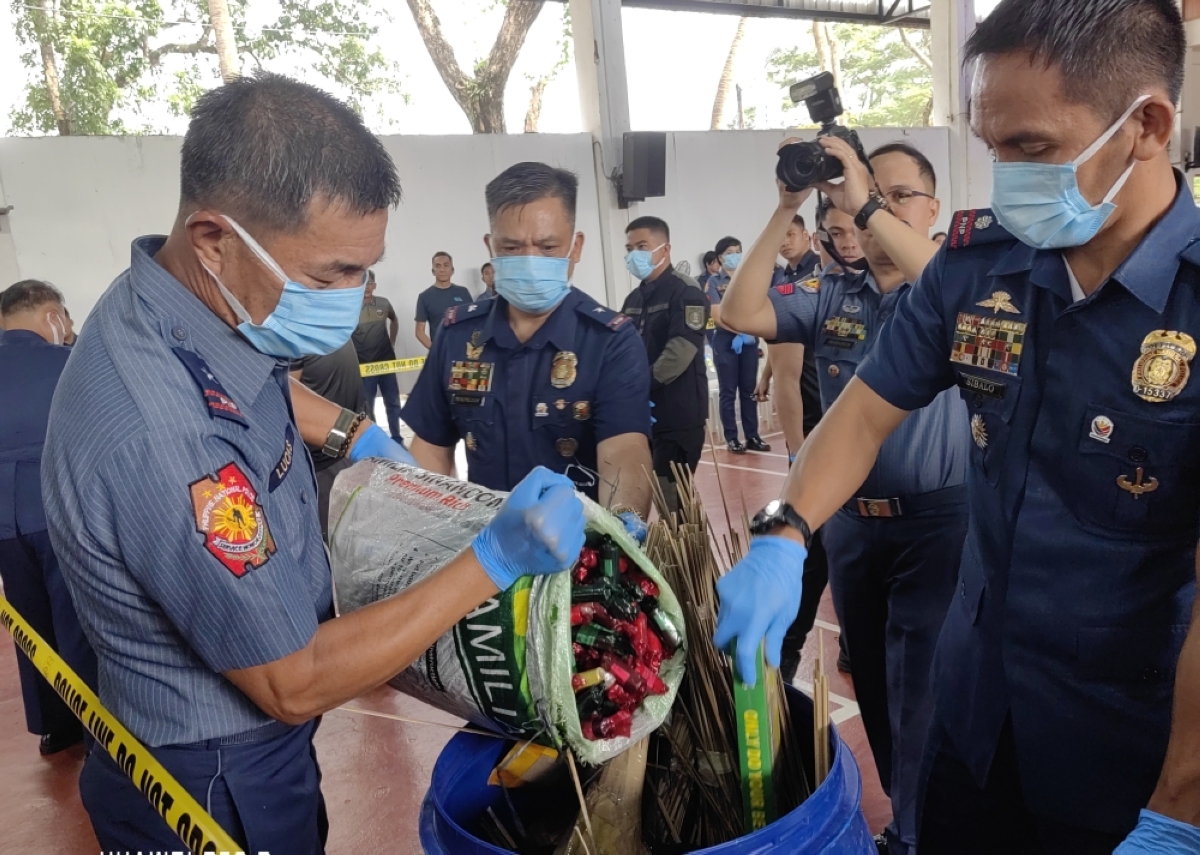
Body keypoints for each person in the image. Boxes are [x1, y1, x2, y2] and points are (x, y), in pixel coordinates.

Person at [40, 73, 588, 855]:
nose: (354, 296)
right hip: (217, 777)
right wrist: (492, 560)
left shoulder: (174, 302)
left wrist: (355, 435)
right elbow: (292, 681)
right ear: (214, 240)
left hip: (235, 742)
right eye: (332, 274)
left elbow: (242, 383)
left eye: (366, 269)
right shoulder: (170, 440)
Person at [715, 1, 1200, 852]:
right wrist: (785, 530)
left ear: (1148, 126)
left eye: (1033, 149)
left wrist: (1181, 803)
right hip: (971, 717)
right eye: (991, 147)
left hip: (1130, 749)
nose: (1006, 176)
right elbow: (863, 412)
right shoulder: (979, 270)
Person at [719, 140, 967, 854]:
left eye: (892, 196)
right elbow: (739, 313)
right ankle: (908, 813)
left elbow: (952, 288)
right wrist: (786, 206)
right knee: (881, 692)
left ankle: (916, 834)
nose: (864, 213)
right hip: (852, 527)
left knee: (923, 688)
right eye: (853, 201)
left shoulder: (955, 285)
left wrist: (864, 200)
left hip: (940, 524)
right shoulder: (833, 294)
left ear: (932, 208)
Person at [403, 161, 654, 534]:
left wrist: (618, 531)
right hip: (480, 551)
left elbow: (623, 455)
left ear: (575, 246)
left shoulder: (609, 341)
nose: (531, 260)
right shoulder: (458, 336)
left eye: (548, 246)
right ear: (491, 247)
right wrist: (424, 531)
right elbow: (431, 451)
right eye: (512, 247)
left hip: (575, 554)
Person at [756, 197, 864, 682]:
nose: (847, 243)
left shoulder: (885, 293)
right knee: (811, 558)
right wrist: (800, 453)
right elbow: (787, 375)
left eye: (853, 230)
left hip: (864, 453)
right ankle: (783, 659)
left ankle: (849, 642)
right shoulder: (808, 293)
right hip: (822, 451)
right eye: (834, 234)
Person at [0, 280, 96, 757]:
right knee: (76, 619)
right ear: (51, 316)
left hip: (4, 523)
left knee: (28, 622)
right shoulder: (69, 365)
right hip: (59, 511)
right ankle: (95, 721)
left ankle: (55, 726)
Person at [619, 216, 709, 516]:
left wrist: (639, 387)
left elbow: (681, 350)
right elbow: (621, 350)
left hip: (678, 414)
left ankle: (691, 562)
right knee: (649, 492)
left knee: (674, 501)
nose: (634, 255)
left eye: (642, 246)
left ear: (665, 248)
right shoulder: (633, 299)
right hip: (644, 417)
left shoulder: (686, 291)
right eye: (630, 248)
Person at [290, 340, 368, 538]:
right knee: (338, 540)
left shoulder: (333, 327)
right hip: (324, 463)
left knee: (355, 534)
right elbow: (287, 404)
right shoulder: (296, 338)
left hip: (349, 452)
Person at [706, 237, 769, 454]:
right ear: (721, 257)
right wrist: (739, 330)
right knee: (728, 391)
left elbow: (759, 306)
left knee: (749, 390)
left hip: (749, 341)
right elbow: (716, 314)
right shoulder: (714, 282)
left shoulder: (749, 278)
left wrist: (748, 332)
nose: (735, 255)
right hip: (726, 341)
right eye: (730, 252)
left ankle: (753, 435)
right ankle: (732, 437)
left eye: (738, 251)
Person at [352, 270, 402, 441]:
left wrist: (392, 343)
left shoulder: (383, 303)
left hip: (386, 362)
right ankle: (375, 441)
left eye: (370, 283)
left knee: (393, 402)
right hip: (364, 366)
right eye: (363, 282)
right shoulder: (351, 308)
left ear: (374, 286)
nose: (367, 287)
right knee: (368, 407)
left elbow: (394, 320)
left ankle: (397, 438)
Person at [414, 252, 472, 349]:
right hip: (441, 352)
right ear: (433, 271)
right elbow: (419, 331)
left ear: (452, 270)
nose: (442, 269)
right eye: (438, 266)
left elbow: (473, 321)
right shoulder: (424, 297)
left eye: (446, 265)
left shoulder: (463, 292)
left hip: (464, 351)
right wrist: (435, 351)